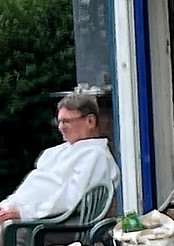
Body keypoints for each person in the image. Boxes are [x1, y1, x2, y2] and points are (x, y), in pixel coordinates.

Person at [0, 88, 117, 226]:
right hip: (28, 217)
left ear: (90, 121)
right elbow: (34, 186)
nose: (61, 127)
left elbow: (70, 200)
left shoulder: (95, 155)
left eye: (67, 121)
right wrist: (7, 206)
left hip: (57, 225)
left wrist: (23, 212)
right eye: (59, 121)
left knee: (8, 228)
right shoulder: (57, 152)